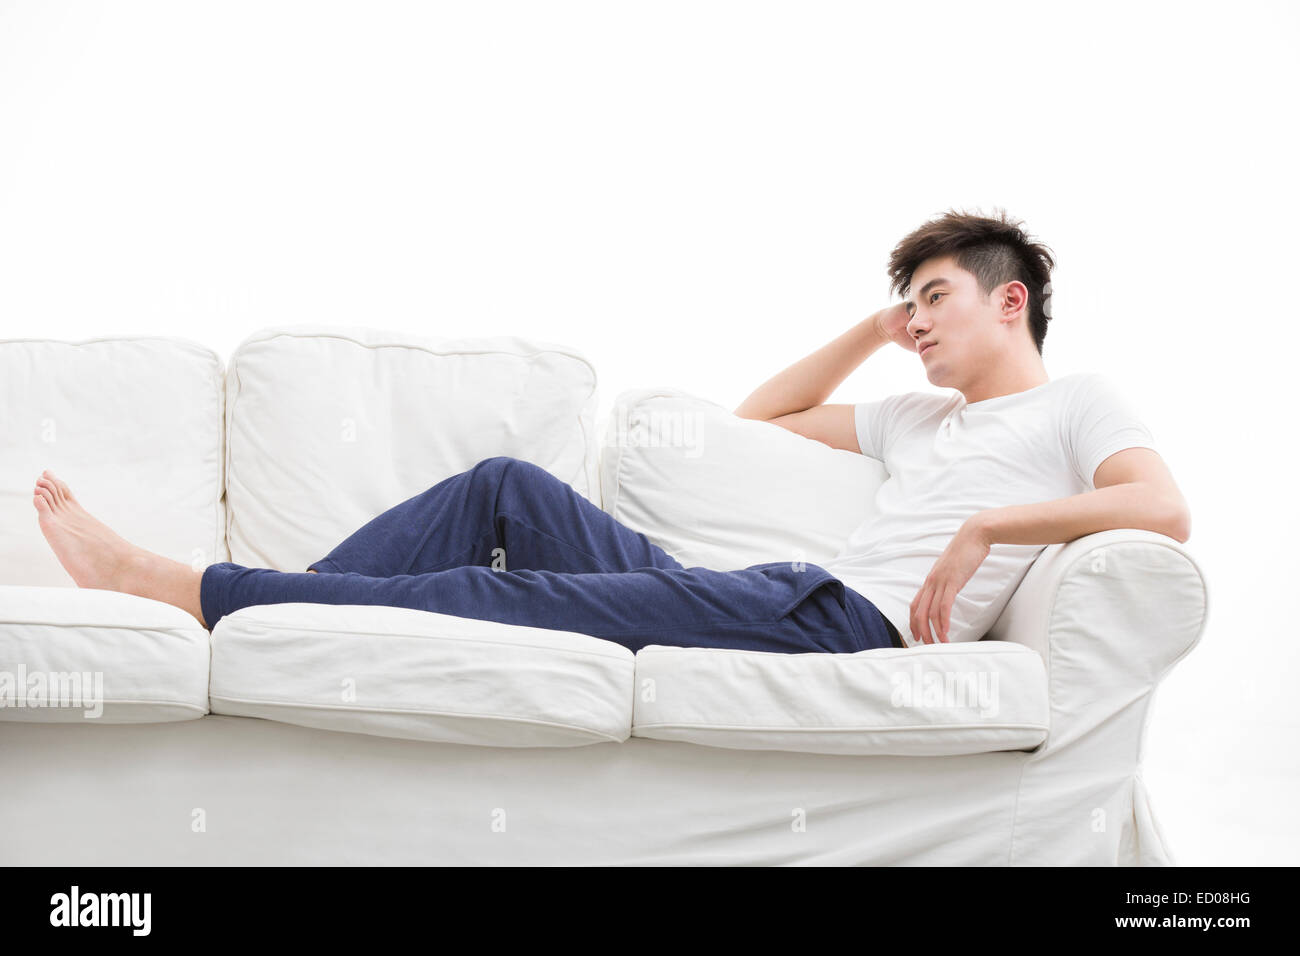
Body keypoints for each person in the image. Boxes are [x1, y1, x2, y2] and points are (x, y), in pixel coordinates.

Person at [31, 207, 1190, 651]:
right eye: (910, 300)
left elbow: (1162, 508)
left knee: (505, 593)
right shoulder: (916, 414)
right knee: (501, 492)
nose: (919, 319)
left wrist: (990, 521)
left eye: (935, 296)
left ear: (1010, 301)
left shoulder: (1076, 402)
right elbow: (763, 418)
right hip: (776, 589)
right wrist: (871, 328)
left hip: (844, 626)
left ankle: (187, 589)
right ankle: (265, 607)